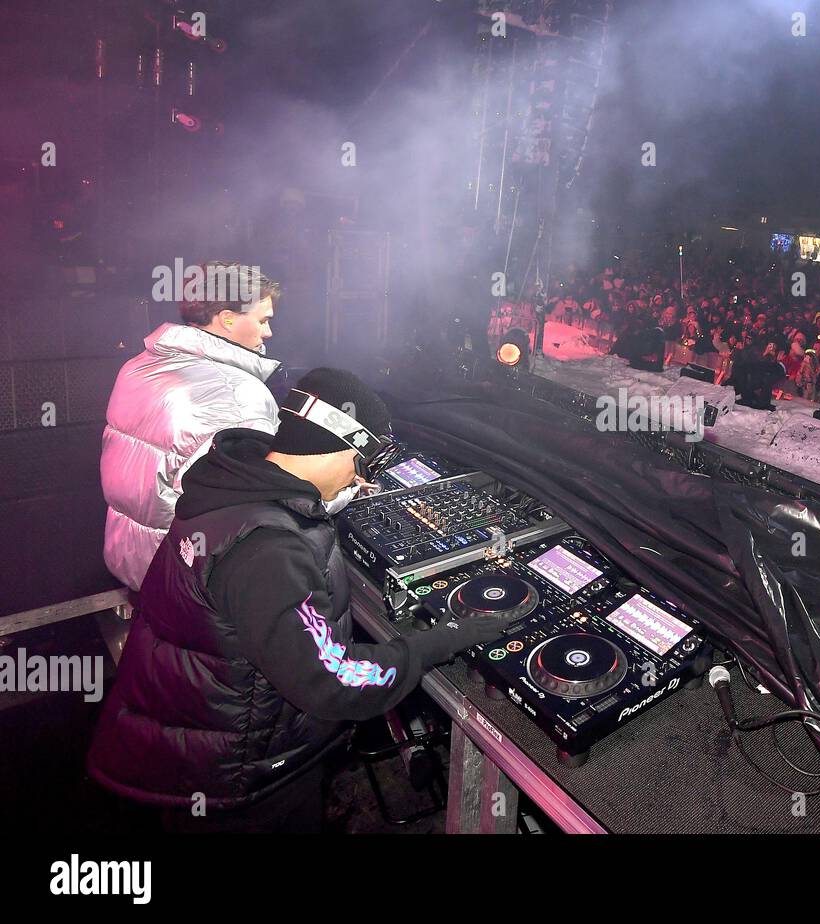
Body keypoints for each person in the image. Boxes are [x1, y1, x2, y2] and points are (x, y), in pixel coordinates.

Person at [87, 369, 520, 832]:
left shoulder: (235, 487)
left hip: (198, 737)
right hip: (235, 777)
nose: (359, 481)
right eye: (360, 465)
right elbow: (338, 681)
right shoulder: (270, 547)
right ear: (336, 447)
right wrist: (444, 639)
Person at [101, 261, 283, 591]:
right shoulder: (239, 394)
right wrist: (341, 490)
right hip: (187, 579)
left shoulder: (138, 366)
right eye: (262, 320)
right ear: (227, 318)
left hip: (132, 558)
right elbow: (266, 505)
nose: (268, 332)